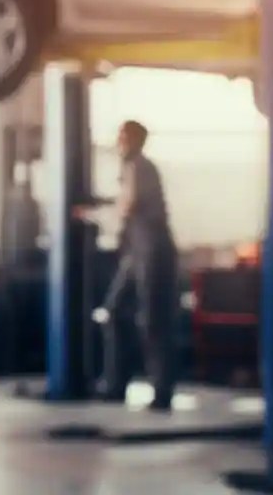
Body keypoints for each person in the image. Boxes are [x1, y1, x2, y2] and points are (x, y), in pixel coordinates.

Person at [91, 120, 179, 411]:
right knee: (115, 312)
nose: (118, 142)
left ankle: (162, 391)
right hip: (136, 254)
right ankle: (116, 384)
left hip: (153, 253)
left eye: (122, 136)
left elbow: (128, 204)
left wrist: (95, 213)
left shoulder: (139, 166)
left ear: (132, 140)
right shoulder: (133, 169)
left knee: (154, 320)